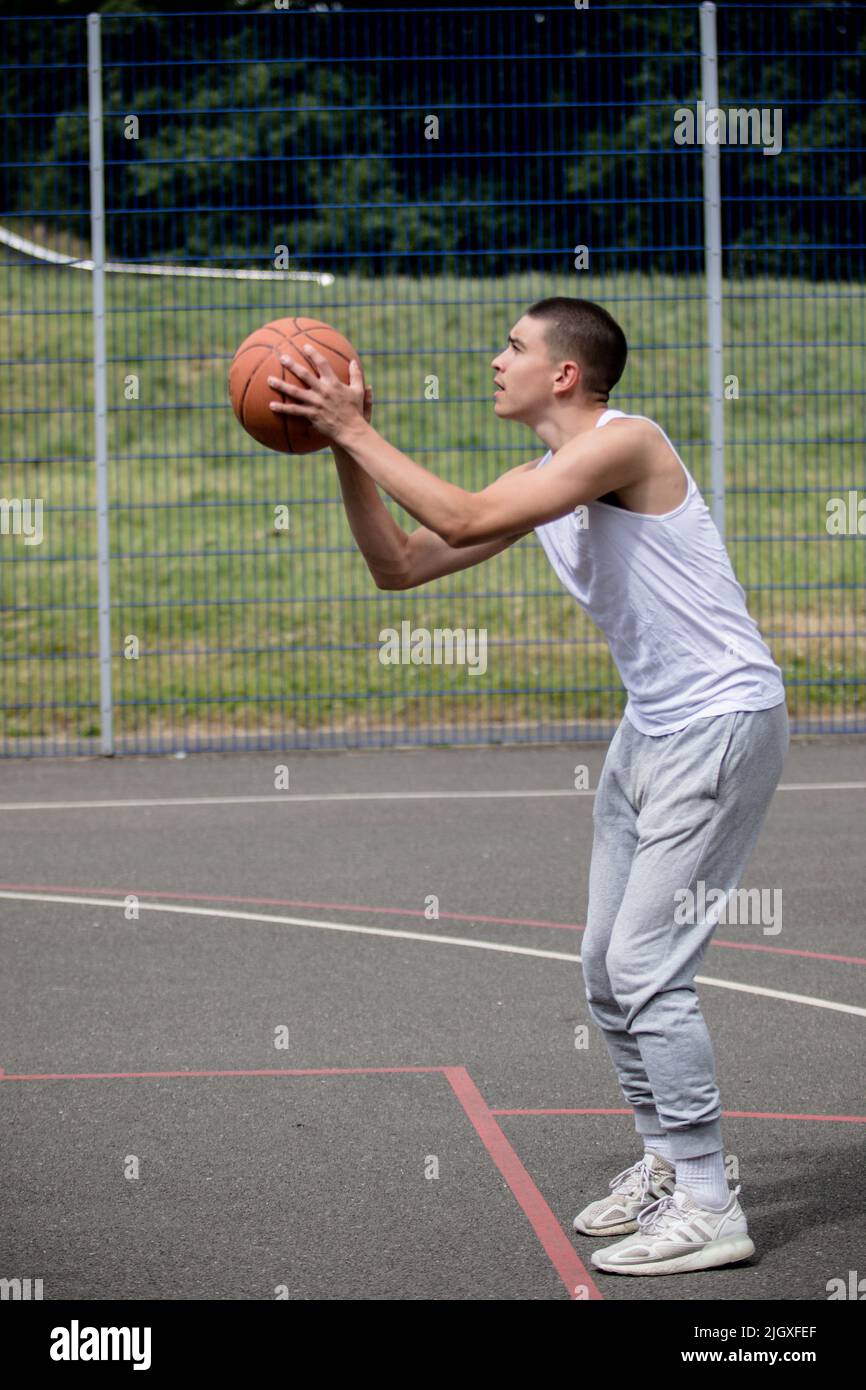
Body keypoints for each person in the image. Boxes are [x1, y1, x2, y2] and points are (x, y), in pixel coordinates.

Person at [266, 296, 788, 1277]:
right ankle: (669, 1165)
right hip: (651, 728)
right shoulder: (542, 478)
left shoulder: (624, 444)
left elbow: (457, 513)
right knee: (602, 965)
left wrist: (353, 423)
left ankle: (711, 1204)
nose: (492, 358)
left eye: (512, 345)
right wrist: (337, 447)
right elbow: (403, 564)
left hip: (720, 723)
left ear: (563, 375)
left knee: (645, 969)